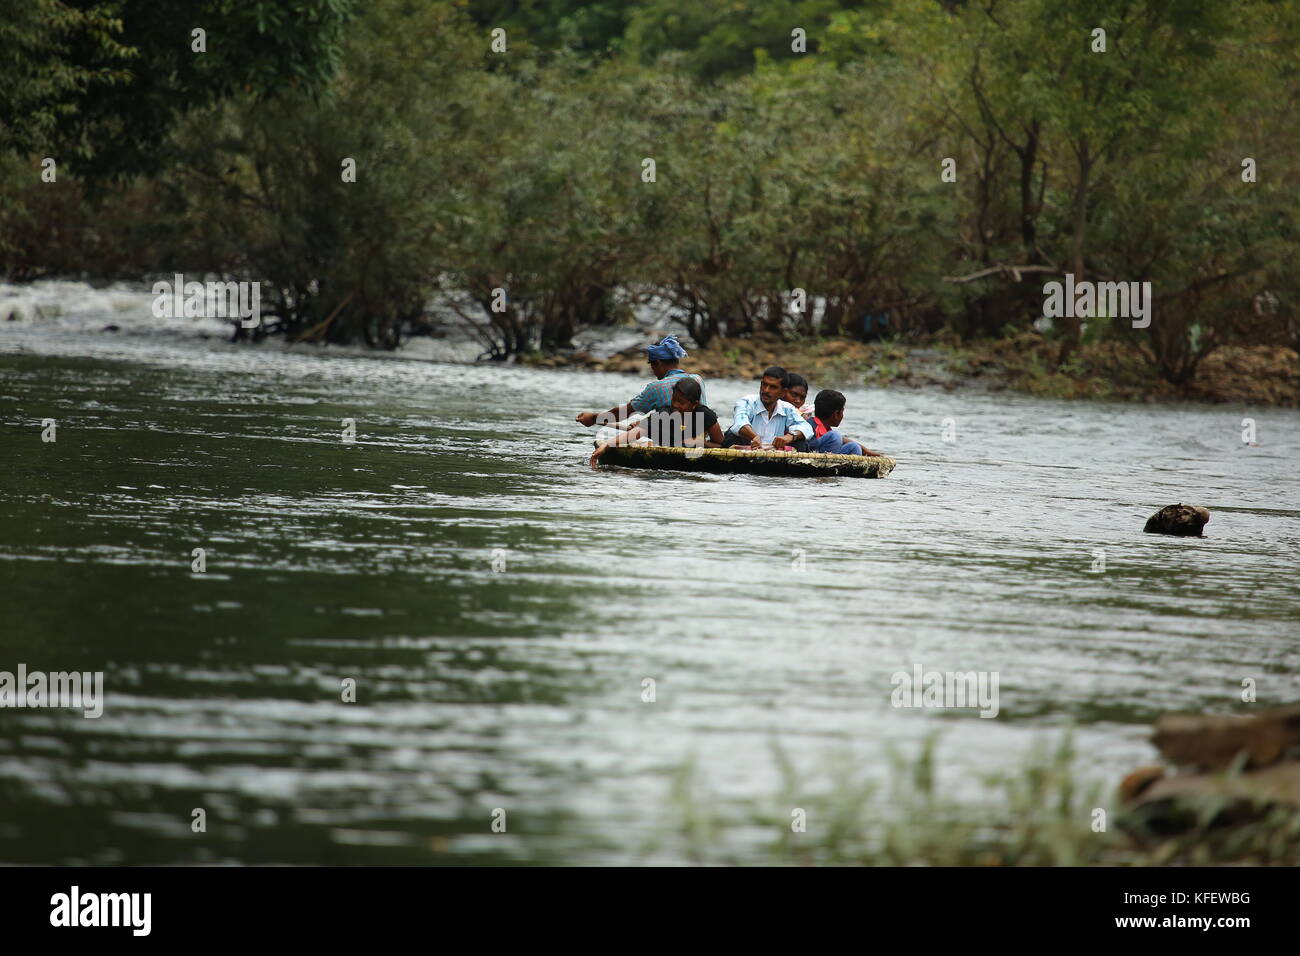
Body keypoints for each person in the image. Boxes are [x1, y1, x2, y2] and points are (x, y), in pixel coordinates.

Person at [575, 334, 705, 430]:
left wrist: (593, 418)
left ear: (658, 363)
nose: (653, 371)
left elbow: (622, 413)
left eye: (652, 366)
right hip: (698, 437)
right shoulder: (697, 380)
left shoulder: (656, 387)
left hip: (672, 438)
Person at [590, 376, 722, 467]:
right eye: (674, 399)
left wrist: (698, 442)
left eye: (681, 402)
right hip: (667, 456)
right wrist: (606, 445)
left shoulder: (706, 415)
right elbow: (636, 432)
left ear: (694, 404)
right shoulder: (665, 413)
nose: (675, 405)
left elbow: (721, 446)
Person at [722, 366, 813, 451]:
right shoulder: (746, 402)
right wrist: (754, 437)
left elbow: (806, 428)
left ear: (783, 392)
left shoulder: (787, 408)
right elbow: (740, 423)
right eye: (764, 385)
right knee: (732, 435)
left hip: (774, 457)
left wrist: (790, 436)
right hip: (746, 454)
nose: (766, 390)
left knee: (801, 443)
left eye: (773, 387)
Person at [806, 389, 886, 457]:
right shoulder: (809, 425)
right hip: (812, 456)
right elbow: (807, 447)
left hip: (825, 453)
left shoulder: (827, 431)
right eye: (842, 412)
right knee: (835, 436)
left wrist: (867, 451)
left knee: (854, 447)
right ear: (836, 414)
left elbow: (844, 440)